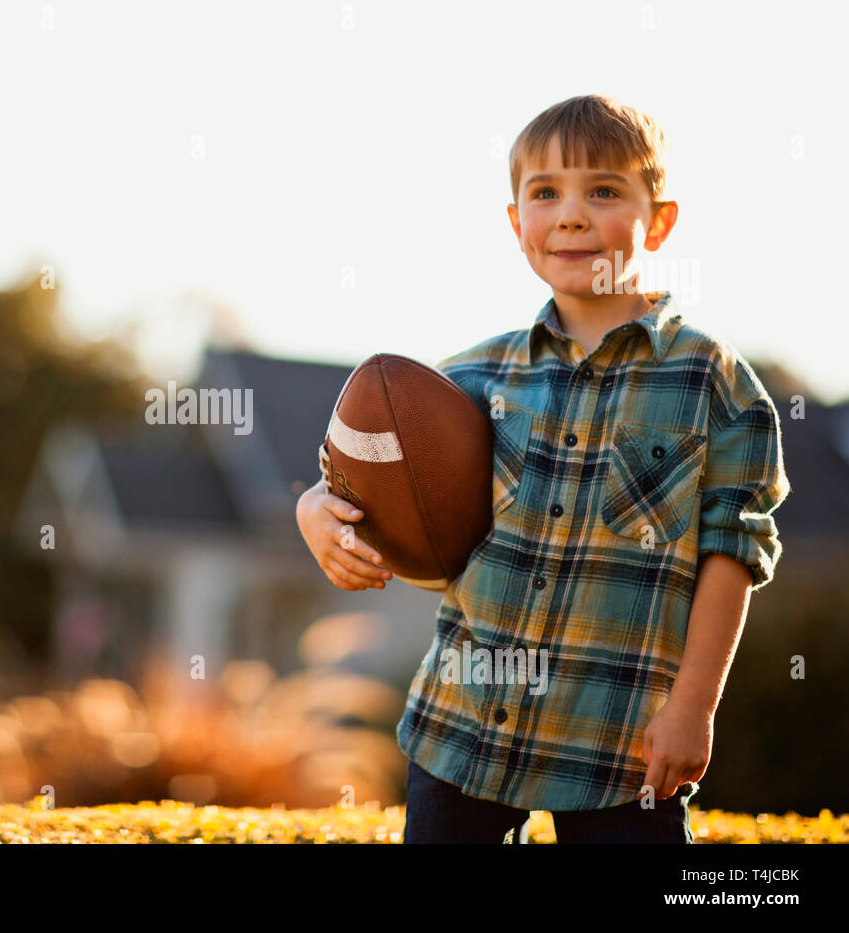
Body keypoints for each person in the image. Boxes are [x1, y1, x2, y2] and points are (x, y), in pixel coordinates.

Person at [295, 94, 791, 843]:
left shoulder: (714, 385)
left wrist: (694, 707)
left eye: (604, 190)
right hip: (460, 733)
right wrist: (312, 513)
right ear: (515, 222)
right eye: (545, 193)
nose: (571, 215)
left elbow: (734, 551)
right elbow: (356, 472)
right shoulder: (465, 380)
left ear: (659, 221)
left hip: (619, 744)